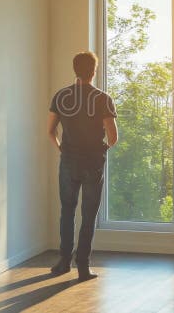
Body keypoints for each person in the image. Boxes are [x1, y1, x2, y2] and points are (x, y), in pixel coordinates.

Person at [47, 51, 118, 281]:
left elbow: (50, 131)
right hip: (93, 163)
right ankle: (83, 267)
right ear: (94, 71)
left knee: (67, 211)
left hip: (69, 161)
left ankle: (63, 262)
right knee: (89, 215)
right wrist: (102, 149)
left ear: (75, 69)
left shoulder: (61, 96)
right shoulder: (102, 98)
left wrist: (63, 149)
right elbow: (113, 136)